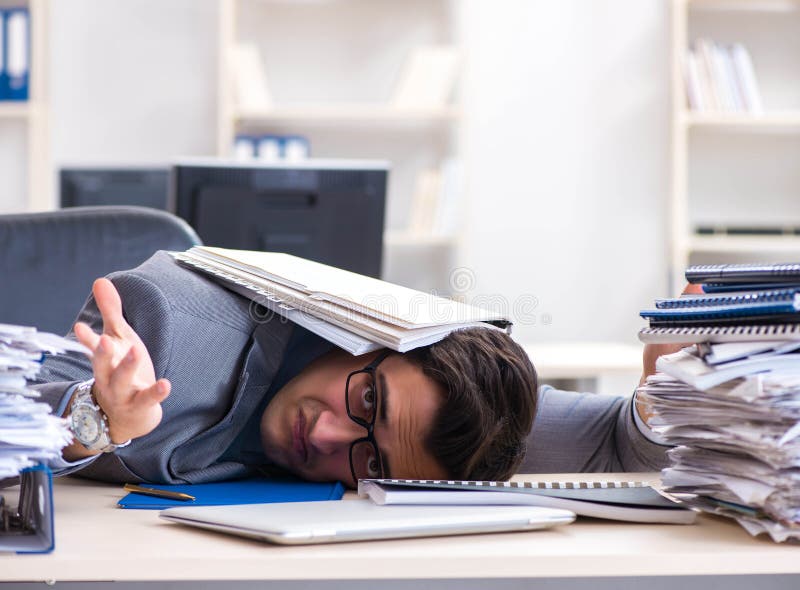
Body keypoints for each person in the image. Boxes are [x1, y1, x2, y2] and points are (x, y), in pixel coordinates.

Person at [33, 251, 671, 488]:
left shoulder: (462, 427)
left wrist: (669, 396)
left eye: (375, 464)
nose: (332, 440)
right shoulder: (166, 323)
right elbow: (24, 407)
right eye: (368, 403)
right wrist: (101, 417)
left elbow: (623, 440)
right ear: (369, 341)